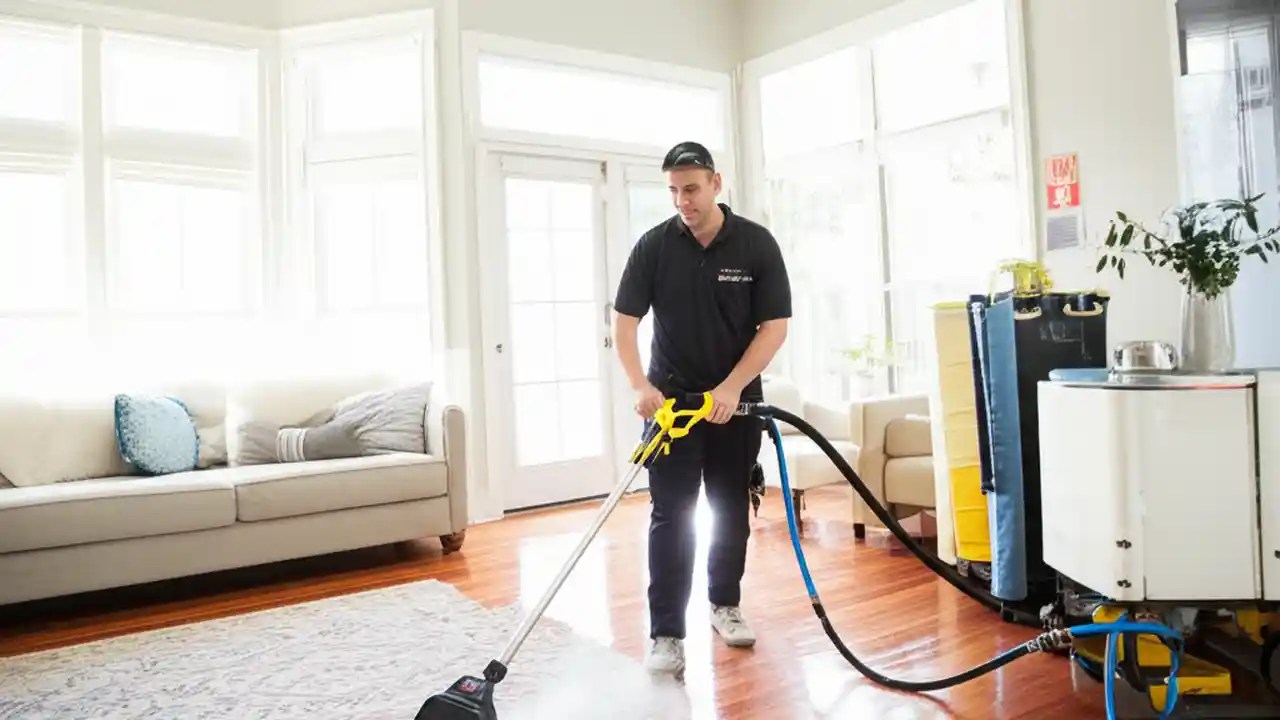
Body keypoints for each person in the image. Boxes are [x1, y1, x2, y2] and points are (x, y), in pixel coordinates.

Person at [611, 141, 791, 678]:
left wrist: (732, 389)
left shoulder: (755, 244)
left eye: (690, 189)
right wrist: (640, 385)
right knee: (671, 516)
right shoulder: (654, 246)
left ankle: (725, 605)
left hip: (735, 405)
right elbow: (624, 322)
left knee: (731, 507)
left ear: (716, 183)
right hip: (672, 406)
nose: (682, 201)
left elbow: (774, 328)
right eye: (672, 191)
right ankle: (666, 634)